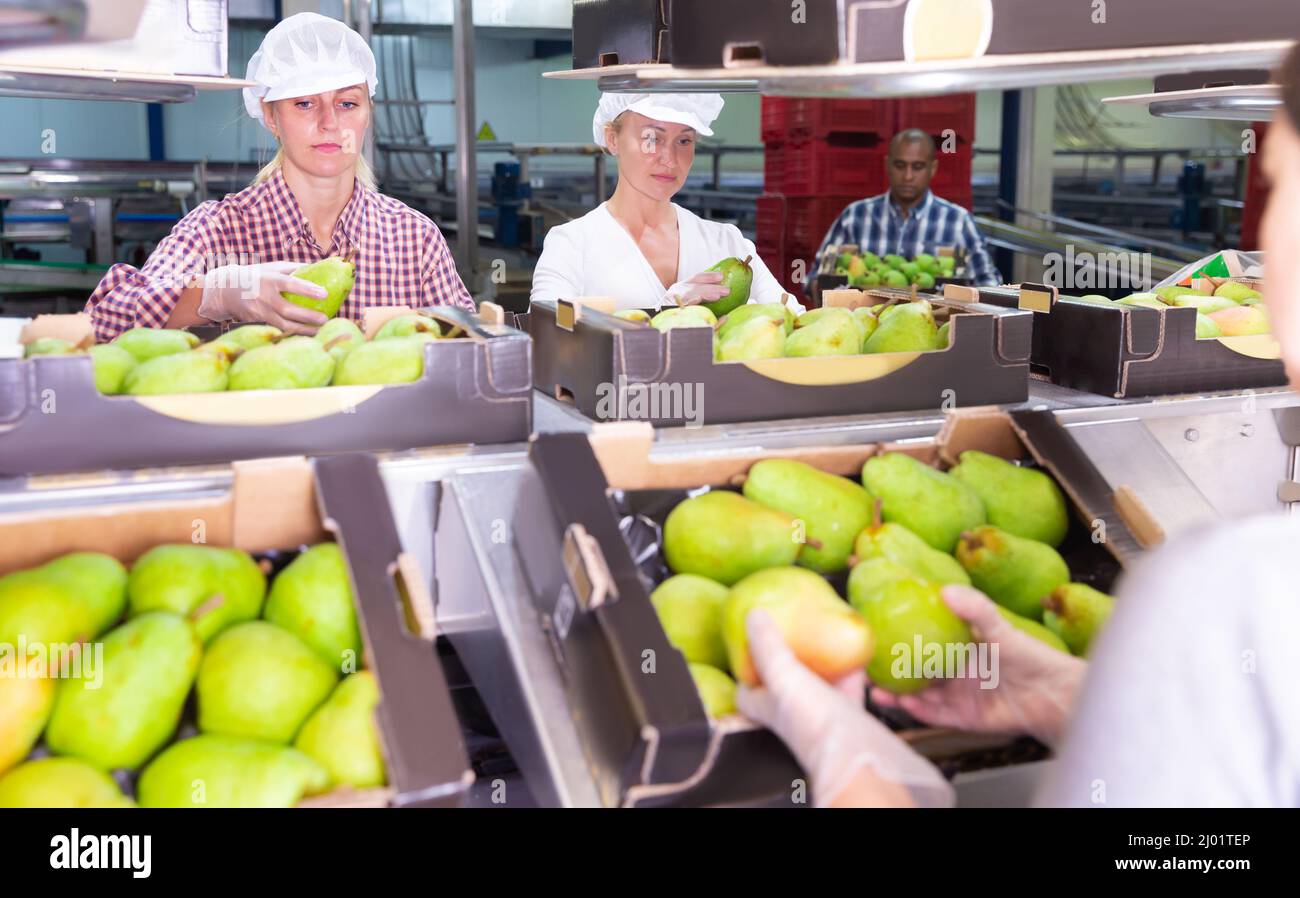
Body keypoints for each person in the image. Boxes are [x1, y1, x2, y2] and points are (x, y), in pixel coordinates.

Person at [743, 43, 1300, 808]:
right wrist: (1077, 699)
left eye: (1276, 184)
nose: (1261, 243)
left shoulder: (1229, 597)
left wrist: (850, 769)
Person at [84, 12, 473, 341]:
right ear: (270, 116)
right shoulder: (217, 230)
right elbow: (100, 325)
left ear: (367, 112)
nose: (329, 123)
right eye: (304, 103)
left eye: (347, 103)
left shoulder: (413, 239)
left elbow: (467, 347)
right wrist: (218, 293)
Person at [531, 93, 799, 312]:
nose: (670, 159)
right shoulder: (572, 245)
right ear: (612, 139)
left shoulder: (726, 243)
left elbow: (793, 318)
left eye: (684, 140)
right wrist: (664, 311)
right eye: (651, 138)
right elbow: (548, 339)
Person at [811, 129, 1002, 288]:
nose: (908, 176)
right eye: (900, 165)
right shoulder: (855, 217)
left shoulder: (958, 222)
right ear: (887, 165)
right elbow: (813, 278)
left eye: (917, 167)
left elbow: (988, 283)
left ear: (933, 168)